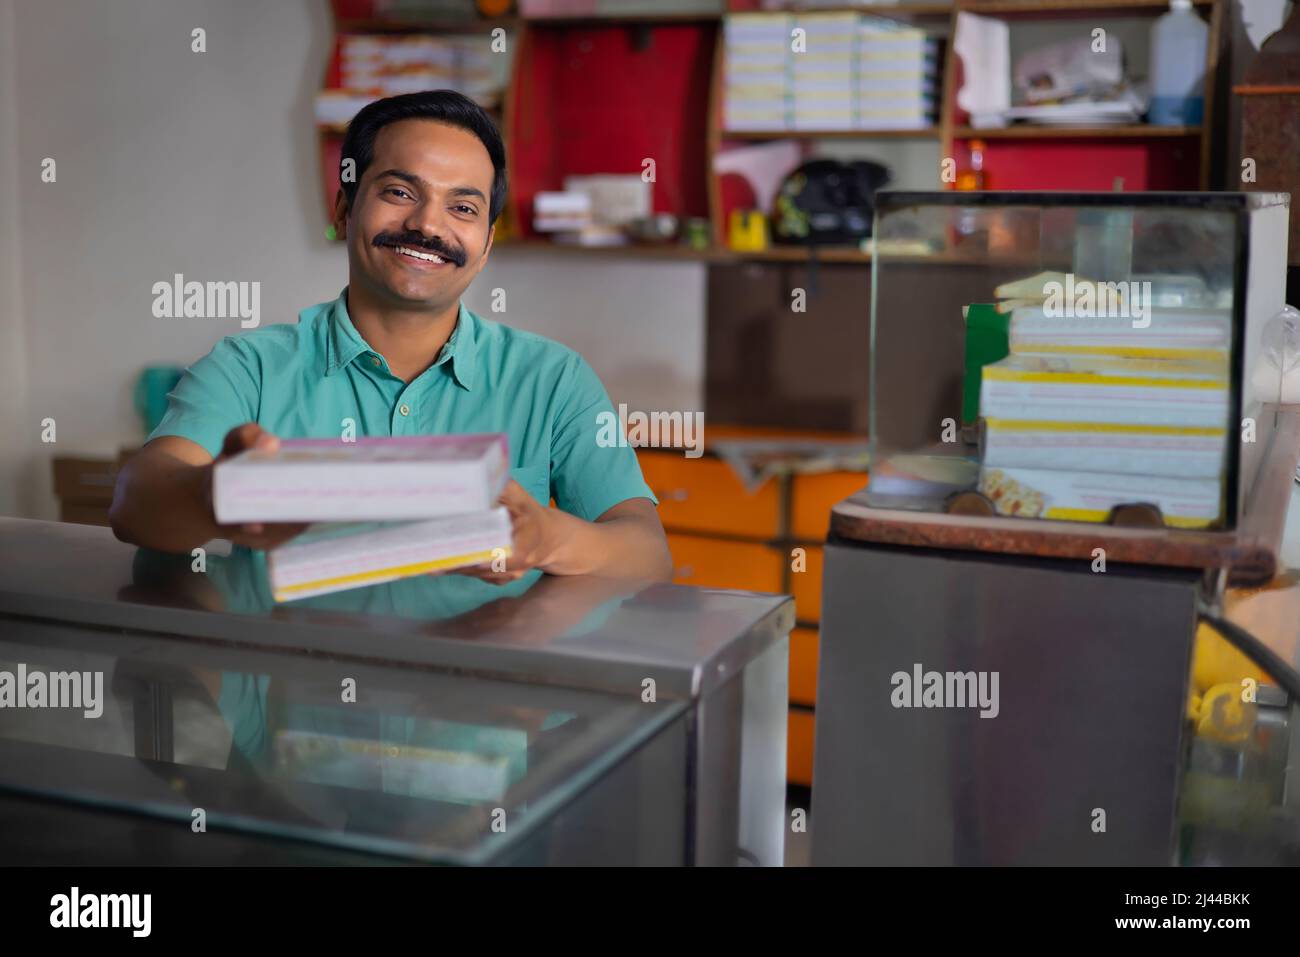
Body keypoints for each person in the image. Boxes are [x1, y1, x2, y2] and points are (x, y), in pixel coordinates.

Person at [111, 90, 671, 583]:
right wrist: (217, 496)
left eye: (463, 207)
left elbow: (647, 553)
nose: (429, 225)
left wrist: (545, 536)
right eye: (401, 192)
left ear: (486, 244)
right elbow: (135, 504)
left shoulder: (553, 380)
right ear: (345, 207)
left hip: (486, 697)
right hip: (295, 689)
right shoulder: (250, 367)